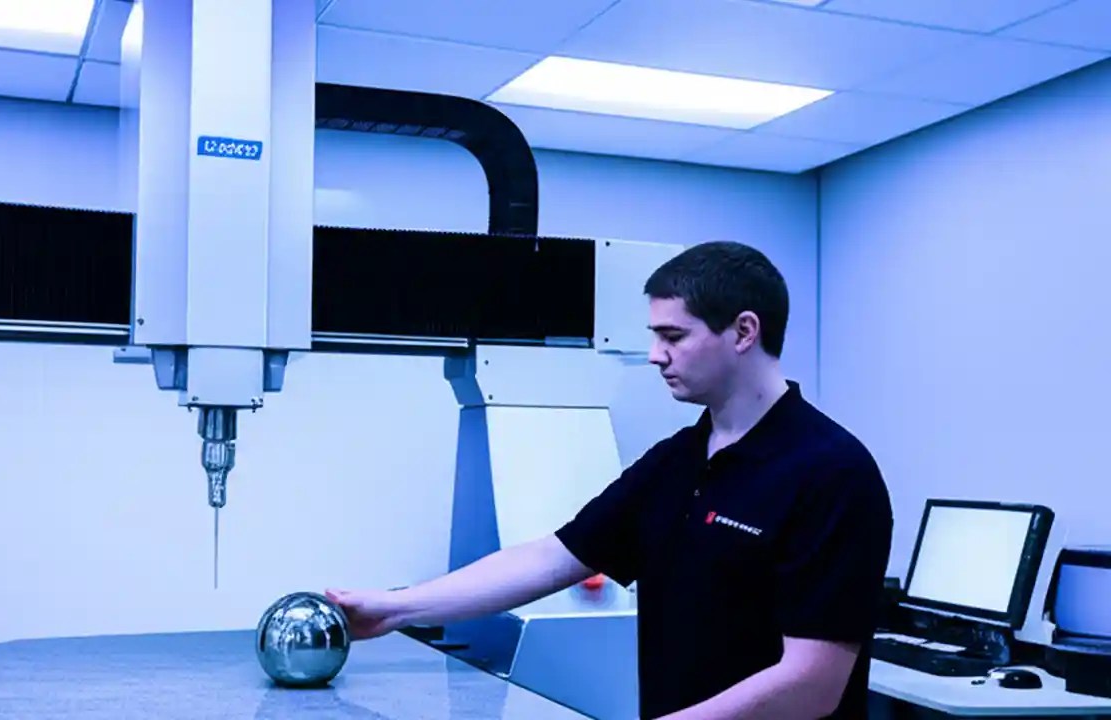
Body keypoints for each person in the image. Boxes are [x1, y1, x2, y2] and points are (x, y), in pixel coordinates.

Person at [327, 240, 893, 719]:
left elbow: (814, 683)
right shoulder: (677, 461)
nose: (654, 356)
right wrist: (394, 608)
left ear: (744, 331)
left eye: (673, 337)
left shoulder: (832, 473)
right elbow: (551, 557)